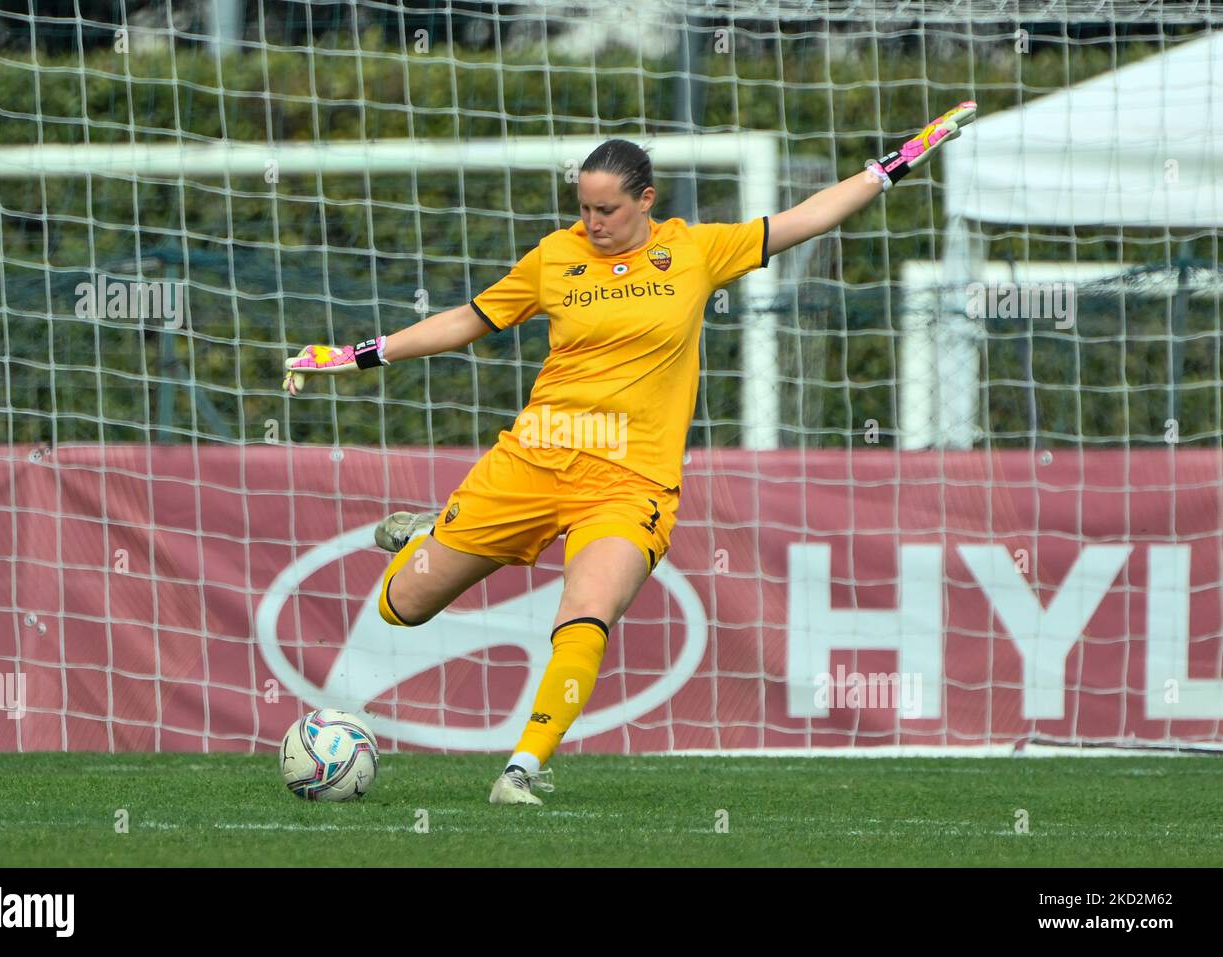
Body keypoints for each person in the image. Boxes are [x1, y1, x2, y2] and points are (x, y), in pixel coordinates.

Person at [283, 102, 977, 805]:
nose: (593, 223)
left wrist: (898, 162)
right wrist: (354, 355)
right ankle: (436, 530)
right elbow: (468, 320)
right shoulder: (555, 258)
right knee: (405, 604)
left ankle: (521, 766)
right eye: (584, 208)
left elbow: (809, 217)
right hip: (531, 463)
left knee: (586, 610)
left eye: (607, 209)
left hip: (629, 482)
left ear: (646, 200)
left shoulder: (695, 251)